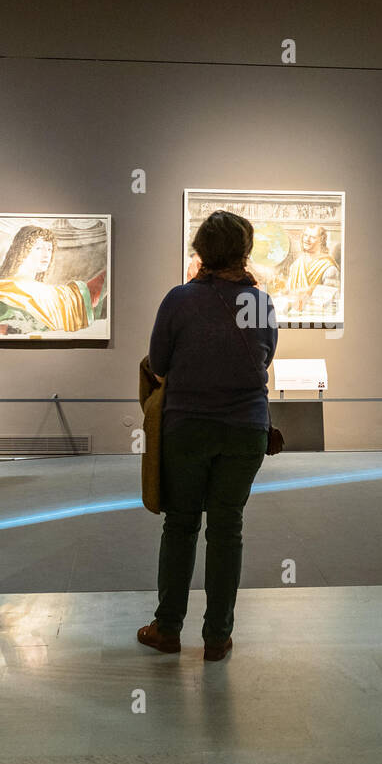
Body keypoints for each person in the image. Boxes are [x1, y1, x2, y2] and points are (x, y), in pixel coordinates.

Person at [138, 210, 278, 661]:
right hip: (245, 430)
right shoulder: (257, 301)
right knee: (226, 528)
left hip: (188, 428)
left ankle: (168, 628)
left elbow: (159, 362)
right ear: (244, 250)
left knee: (180, 525)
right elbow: (265, 356)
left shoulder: (179, 299)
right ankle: (217, 636)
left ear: (200, 250)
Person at [0, 225, 95, 335]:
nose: (46, 254)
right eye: (39, 248)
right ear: (22, 250)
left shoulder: (56, 293)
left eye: (49, 249)